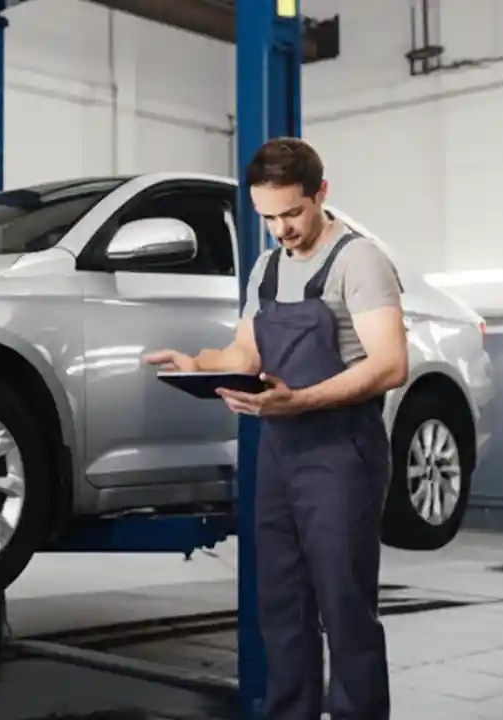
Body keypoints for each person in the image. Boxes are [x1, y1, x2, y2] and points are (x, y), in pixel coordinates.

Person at [143, 137, 408, 720]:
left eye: (292, 213)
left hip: (343, 454)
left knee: (344, 606)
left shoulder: (359, 261)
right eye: (268, 218)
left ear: (322, 194)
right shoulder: (266, 267)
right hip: (279, 452)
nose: (281, 230)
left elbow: (390, 364)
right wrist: (199, 364)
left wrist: (304, 400)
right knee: (281, 605)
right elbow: (245, 349)